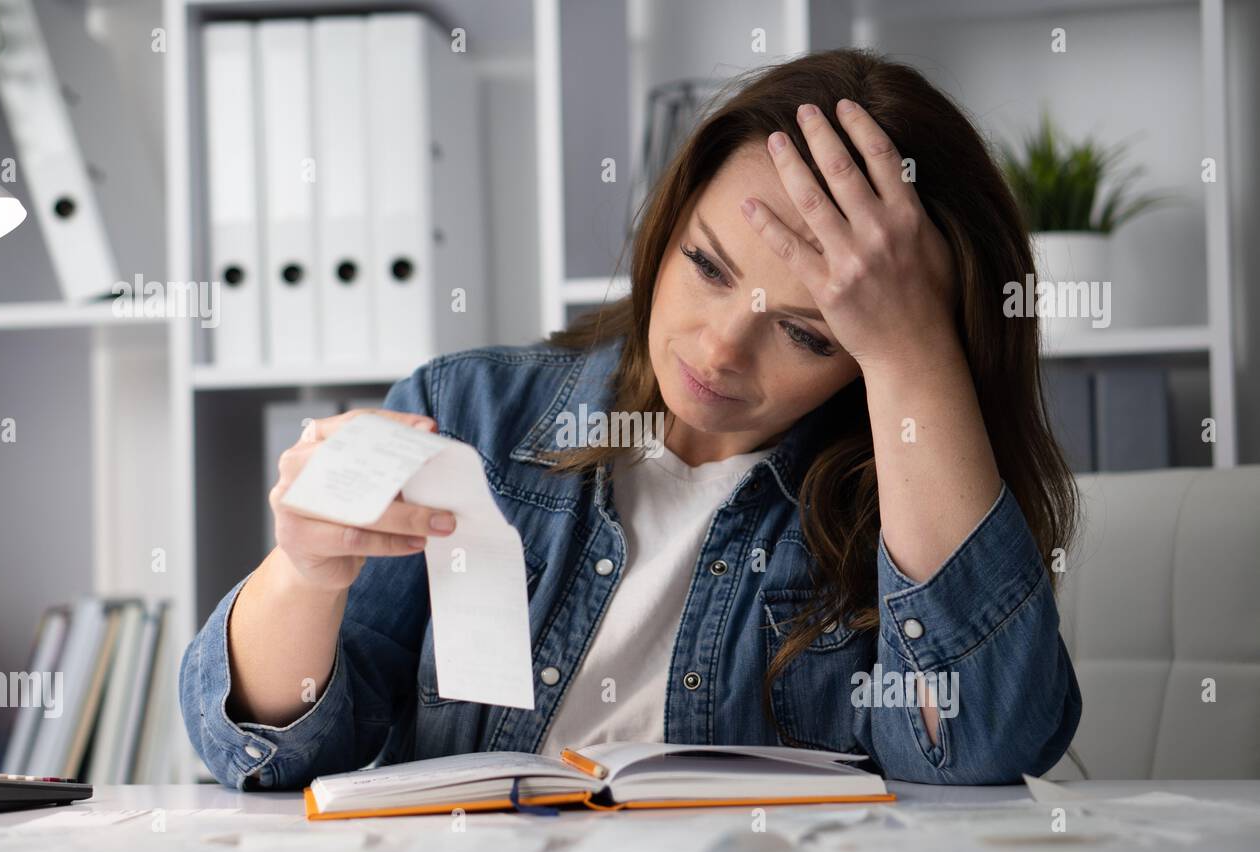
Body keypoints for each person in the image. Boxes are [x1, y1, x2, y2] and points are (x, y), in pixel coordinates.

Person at [180, 48, 1082, 791]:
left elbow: (981, 745)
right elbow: (268, 754)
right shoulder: (470, 417)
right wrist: (302, 570)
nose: (721, 349)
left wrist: (915, 357)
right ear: (670, 219)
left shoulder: (898, 498)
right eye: (708, 265)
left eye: (808, 332)